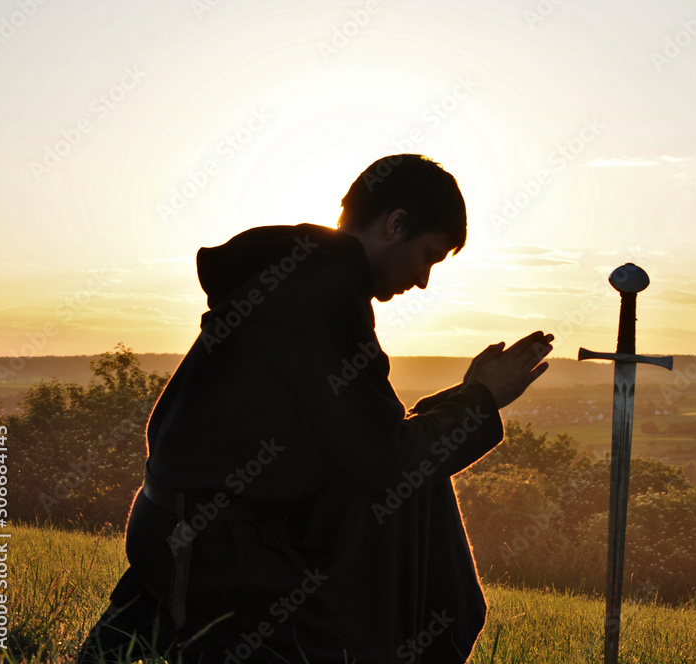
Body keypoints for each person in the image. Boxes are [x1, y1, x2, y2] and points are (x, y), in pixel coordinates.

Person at [77, 154, 553, 663]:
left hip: (195, 530)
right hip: (216, 550)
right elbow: (385, 462)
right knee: (368, 625)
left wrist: (467, 400)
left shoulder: (305, 274)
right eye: (429, 256)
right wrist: (481, 400)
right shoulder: (318, 293)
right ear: (395, 224)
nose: (423, 280)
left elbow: (365, 437)